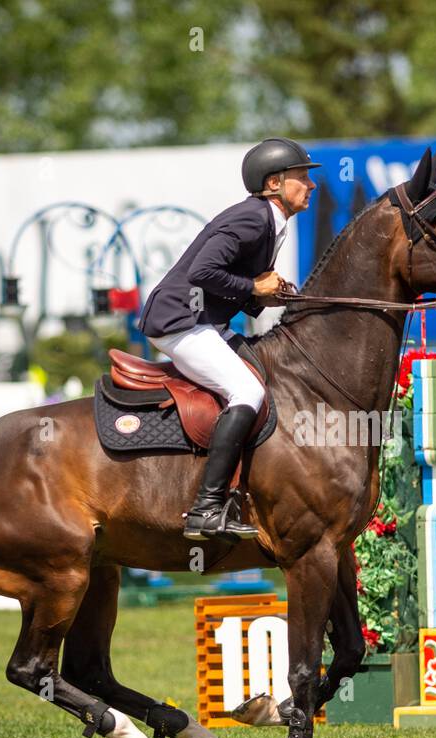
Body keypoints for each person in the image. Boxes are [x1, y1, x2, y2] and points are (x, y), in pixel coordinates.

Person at [137, 137, 319, 541]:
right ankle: (206, 509)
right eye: (303, 177)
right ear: (274, 183)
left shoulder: (271, 221)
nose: (312, 184)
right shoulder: (253, 219)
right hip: (180, 322)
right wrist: (254, 288)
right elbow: (203, 272)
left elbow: (236, 285)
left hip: (205, 321)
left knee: (266, 376)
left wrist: (266, 295)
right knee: (247, 392)